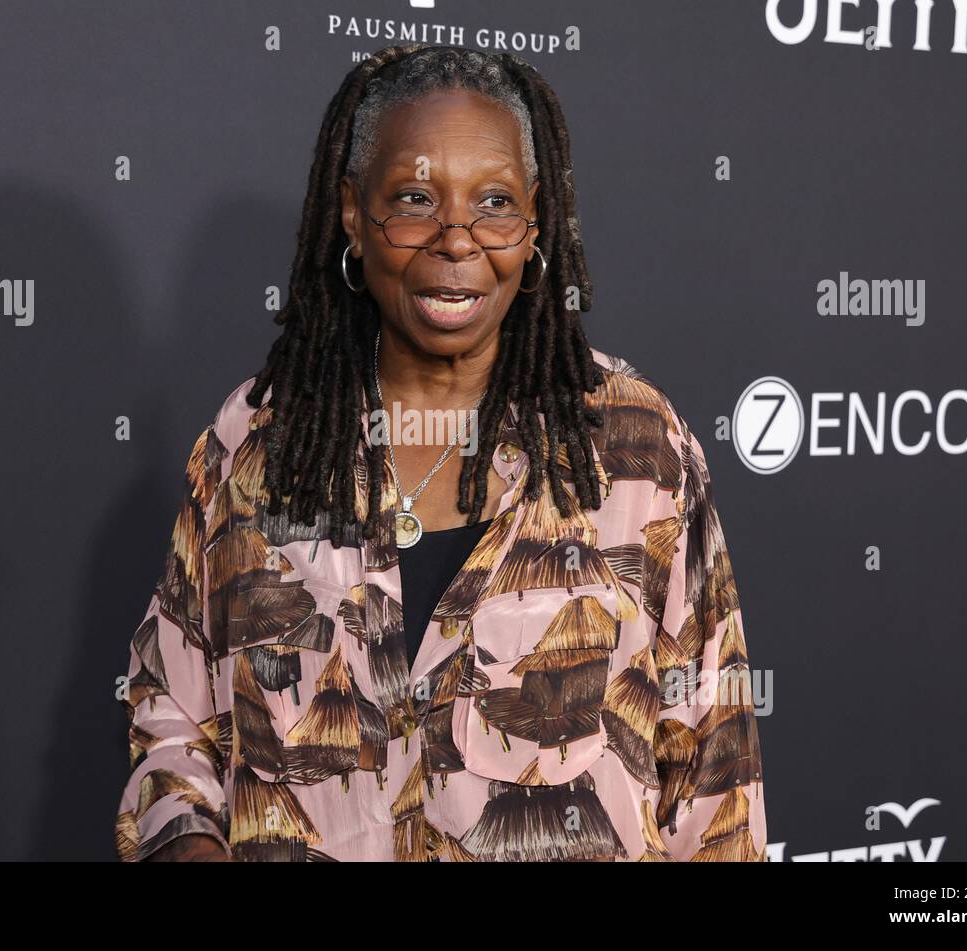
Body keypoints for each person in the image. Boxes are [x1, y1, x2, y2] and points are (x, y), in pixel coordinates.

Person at [114, 43, 766, 862]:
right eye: (415, 199)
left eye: (494, 203)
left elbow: (715, 777)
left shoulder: (635, 451)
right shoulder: (259, 442)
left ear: (534, 222)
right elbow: (171, 715)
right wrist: (189, 842)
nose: (457, 242)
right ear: (353, 212)